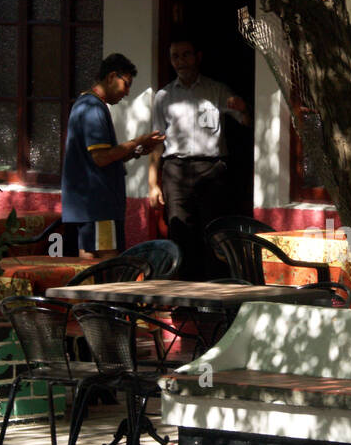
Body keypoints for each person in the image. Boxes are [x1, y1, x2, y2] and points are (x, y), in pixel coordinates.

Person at [148, 35, 250, 280]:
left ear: (198, 57)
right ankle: (183, 299)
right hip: (175, 171)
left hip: (211, 170)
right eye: (175, 56)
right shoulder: (163, 97)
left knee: (214, 234)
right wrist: (153, 184)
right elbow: (156, 143)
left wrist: (243, 108)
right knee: (180, 233)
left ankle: (213, 300)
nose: (181, 61)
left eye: (186, 55)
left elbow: (245, 121)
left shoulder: (216, 90)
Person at [61, 53, 163, 258]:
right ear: (111, 77)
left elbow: (104, 156)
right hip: (98, 205)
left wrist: (137, 151)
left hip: (92, 205)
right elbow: (101, 157)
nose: (127, 93)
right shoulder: (92, 108)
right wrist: (137, 141)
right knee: (107, 263)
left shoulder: (89, 104)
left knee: (88, 263)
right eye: (126, 84)